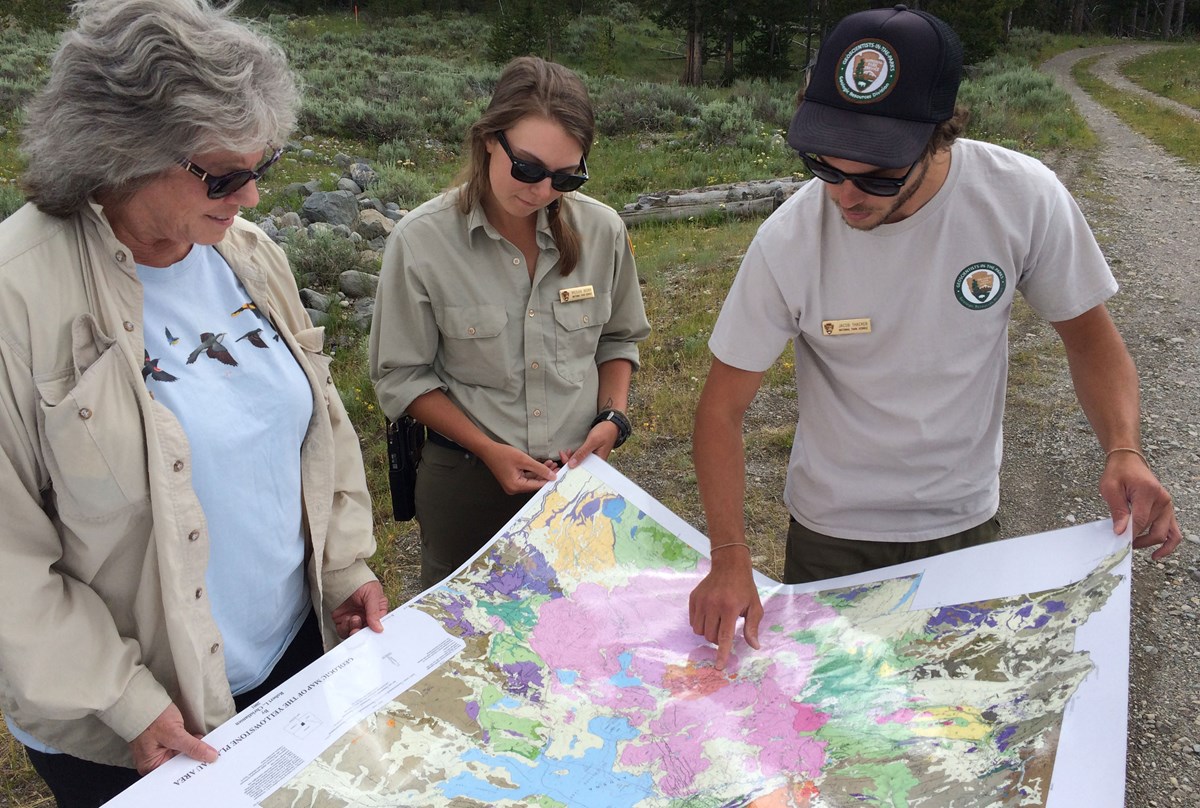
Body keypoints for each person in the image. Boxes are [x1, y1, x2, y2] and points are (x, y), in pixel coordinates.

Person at [687, 5, 1181, 669]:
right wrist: (730, 556)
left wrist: (1123, 447)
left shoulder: (1022, 198)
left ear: (939, 137)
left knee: (952, 727)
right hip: (833, 531)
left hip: (964, 522)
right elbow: (722, 407)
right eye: (824, 166)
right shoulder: (789, 239)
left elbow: (1090, 339)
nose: (845, 196)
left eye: (878, 174)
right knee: (834, 731)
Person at [0, 1, 387, 805]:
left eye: (262, 167)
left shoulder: (246, 253)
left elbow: (318, 425)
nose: (249, 198)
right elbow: (9, 564)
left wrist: (344, 565)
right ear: (122, 151)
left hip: (290, 655)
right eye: (223, 174)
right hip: (134, 722)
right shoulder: (16, 295)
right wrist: (127, 701)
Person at [370, 56, 650, 589]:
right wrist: (488, 449)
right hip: (468, 483)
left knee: (580, 629)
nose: (543, 190)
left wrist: (612, 419)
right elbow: (402, 375)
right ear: (488, 140)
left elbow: (617, 338)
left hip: (577, 480)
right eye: (528, 168)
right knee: (463, 639)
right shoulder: (421, 241)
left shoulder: (603, 230)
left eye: (566, 176)